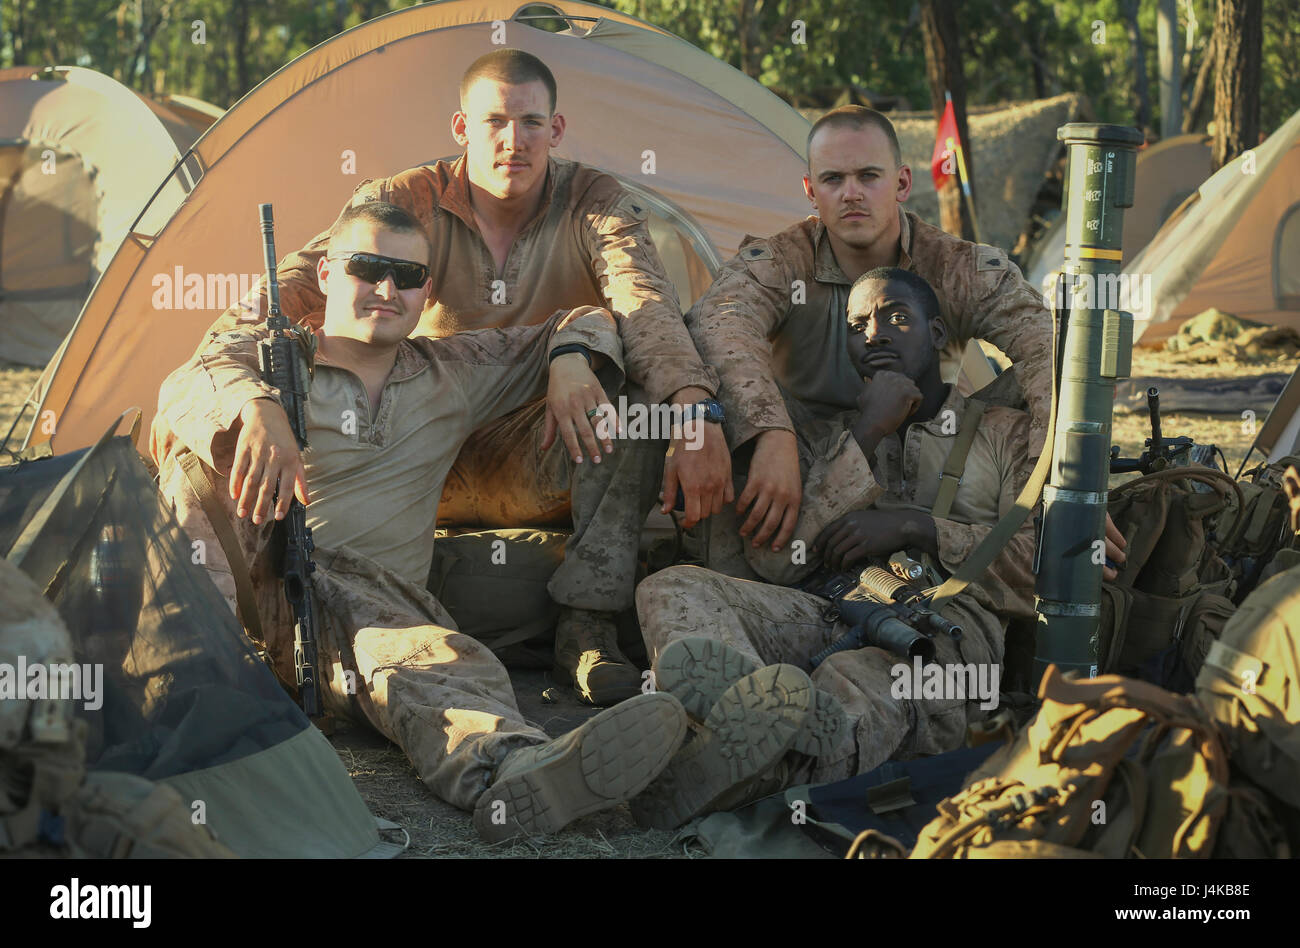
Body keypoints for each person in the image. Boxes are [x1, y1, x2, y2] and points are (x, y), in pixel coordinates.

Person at [150, 201, 687, 842]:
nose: (386, 289)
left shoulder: (449, 371)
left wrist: (569, 357)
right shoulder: (271, 358)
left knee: (549, 572)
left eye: (406, 276)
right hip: (288, 606)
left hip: (410, 585)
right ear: (324, 275)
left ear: (426, 291)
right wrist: (256, 407)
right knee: (414, 654)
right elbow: (189, 380)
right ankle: (509, 764)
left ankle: (696, 695)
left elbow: (583, 318)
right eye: (367, 268)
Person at [209, 48, 733, 706]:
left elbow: (643, 304)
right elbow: (280, 294)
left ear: (557, 130)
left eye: (531, 123)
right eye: (494, 122)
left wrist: (689, 410)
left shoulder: (595, 201)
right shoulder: (402, 201)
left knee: (628, 401)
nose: (513, 140)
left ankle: (588, 623)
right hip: (413, 443)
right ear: (461, 129)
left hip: (537, 442)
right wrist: (239, 390)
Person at [631, 268, 1039, 828]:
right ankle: (744, 721)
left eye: (896, 317)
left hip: (941, 633)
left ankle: (727, 764)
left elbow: (1042, 563)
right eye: (857, 325)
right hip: (832, 607)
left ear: (939, 334)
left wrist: (916, 527)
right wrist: (866, 433)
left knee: (858, 683)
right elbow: (776, 560)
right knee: (673, 587)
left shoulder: (1006, 432)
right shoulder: (831, 439)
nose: (874, 335)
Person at [684, 104, 1059, 561]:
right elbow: (721, 325)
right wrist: (770, 433)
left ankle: (1029, 525)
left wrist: (1066, 481)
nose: (851, 195)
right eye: (833, 180)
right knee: (686, 395)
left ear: (902, 183)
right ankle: (727, 576)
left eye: (868, 177)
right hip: (803, 454)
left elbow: (1045, 344)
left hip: (927, 440)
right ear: (810, 190)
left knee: (1062, 367)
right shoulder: (780, 264)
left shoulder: (958, 268)